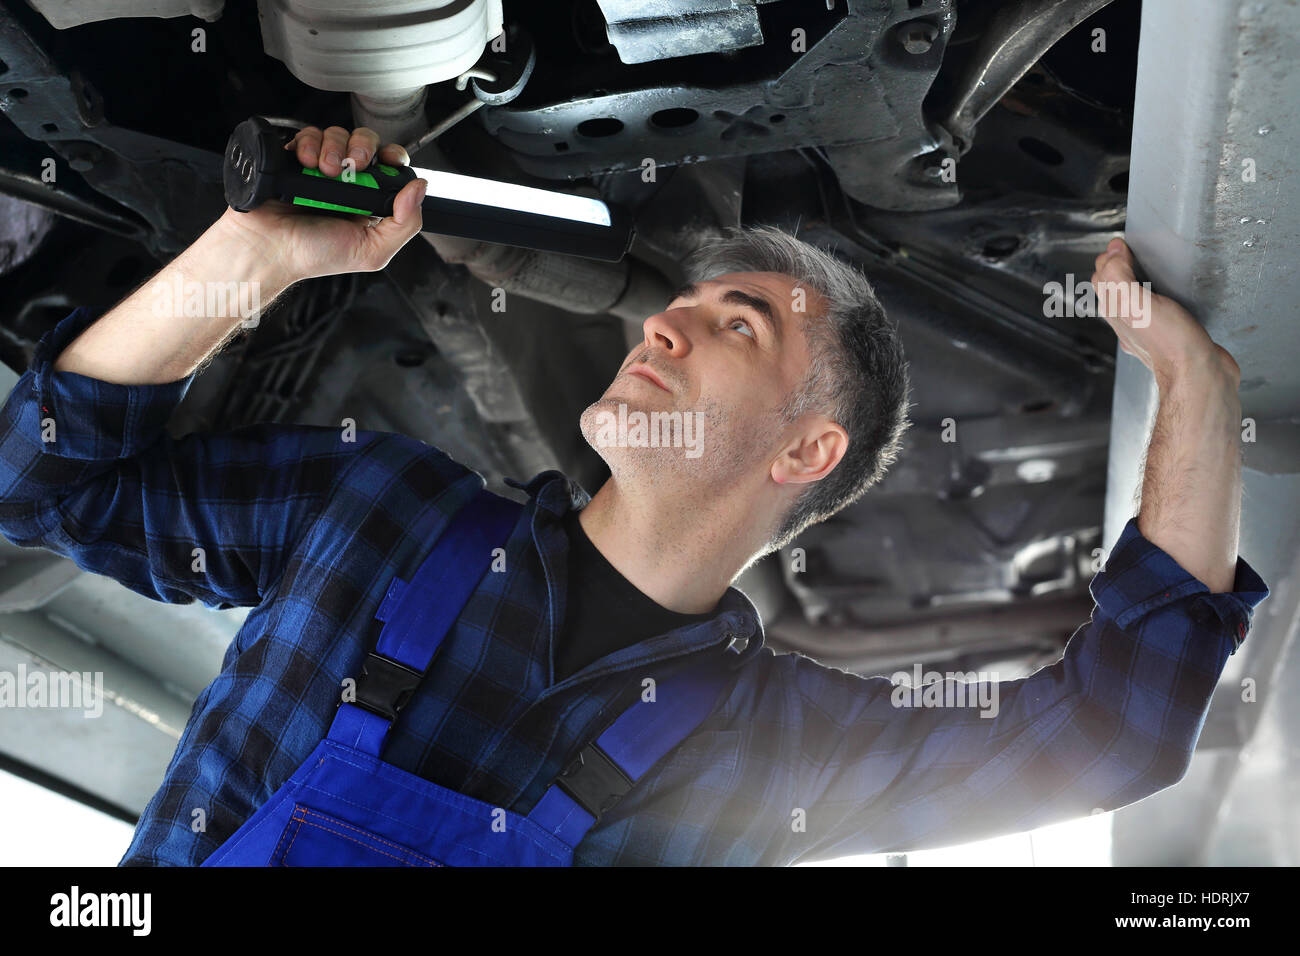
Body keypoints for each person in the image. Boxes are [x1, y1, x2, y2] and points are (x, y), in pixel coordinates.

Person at [0, 125, 1268, 866]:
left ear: (806, 451)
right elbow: (41, 486)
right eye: (682, 301)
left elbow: (1110, 733)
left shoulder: (777, 746)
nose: (663, 321)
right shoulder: (377, 508)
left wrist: (1192, 381)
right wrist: (252, 254)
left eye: (738, 323)